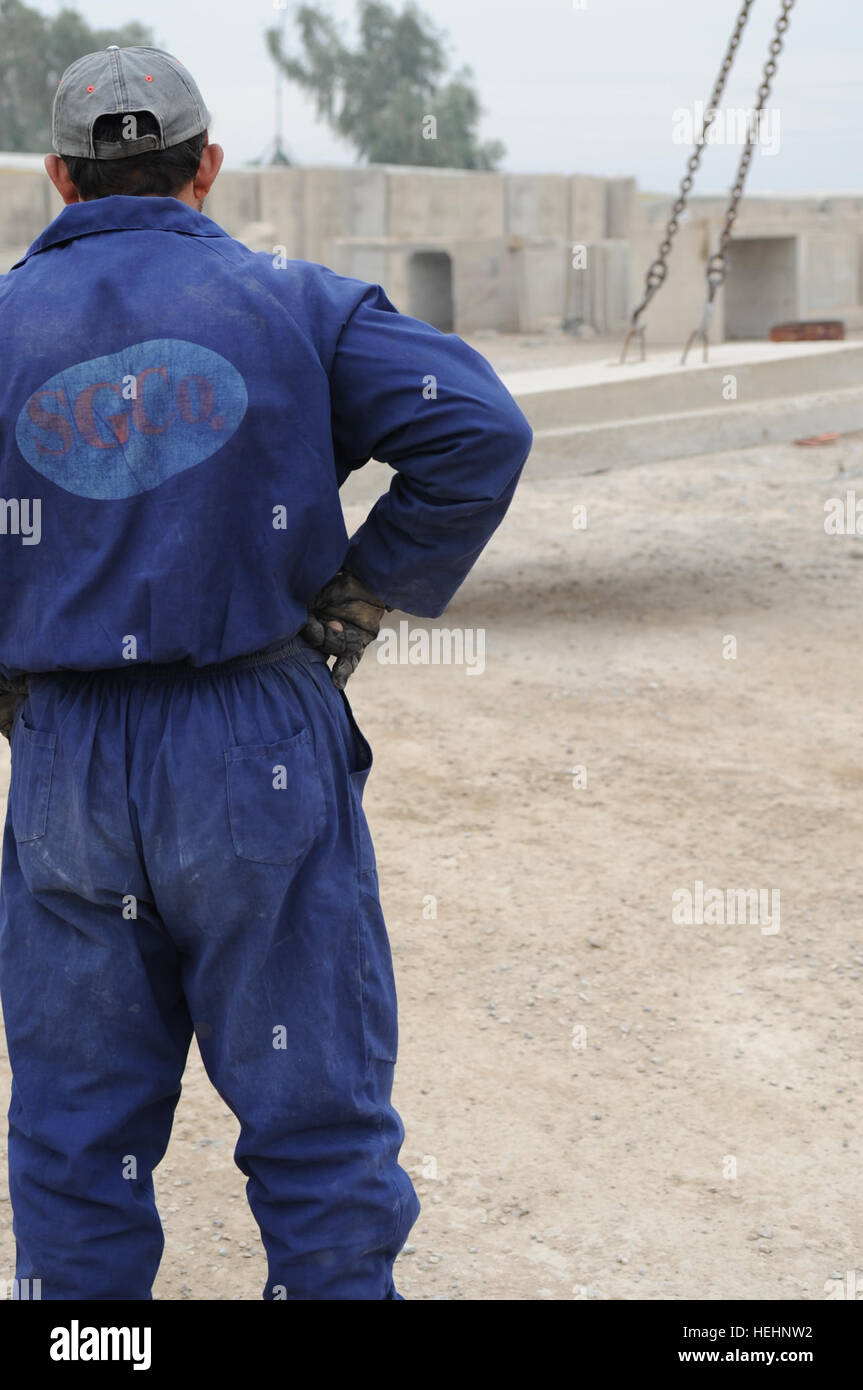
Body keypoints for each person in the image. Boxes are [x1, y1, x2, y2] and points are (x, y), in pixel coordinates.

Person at [0, 45, 532, 1300]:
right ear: (209, 168)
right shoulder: (294, 301)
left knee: (77, 1138)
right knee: (316, 1122)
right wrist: (354, 598)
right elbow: (478, 432)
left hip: (69, 756)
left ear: (59, 177)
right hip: (256, 744)